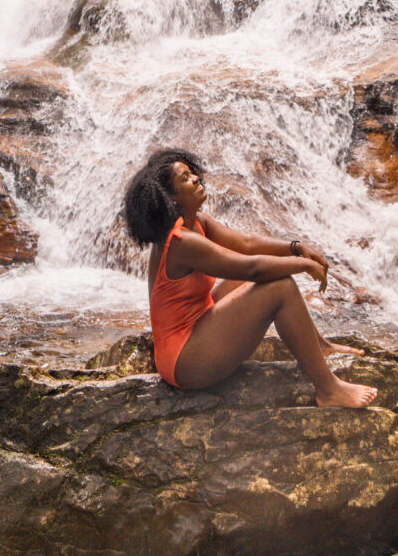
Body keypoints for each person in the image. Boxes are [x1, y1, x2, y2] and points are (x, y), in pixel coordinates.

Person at [123, 147, 378, 408]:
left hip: (197, 327)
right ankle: (329, 389)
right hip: (184, 361)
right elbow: (252, 268)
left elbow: (246, 244)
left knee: (257, 281)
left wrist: (295, 247)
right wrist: (299, 264)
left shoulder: (195, 221)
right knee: (279, 287)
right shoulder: (181, 241)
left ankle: (319, 346)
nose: (196, 178)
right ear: (172, 199)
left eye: (191, 173)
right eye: (185, 178)